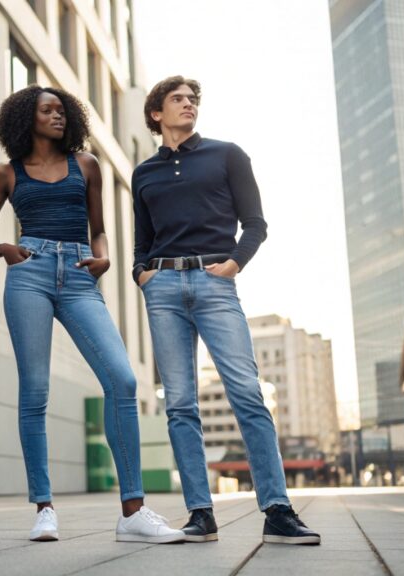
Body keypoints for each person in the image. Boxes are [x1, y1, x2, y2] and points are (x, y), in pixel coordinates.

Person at [0, 85, 185, 544]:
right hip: (28, 273)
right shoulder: (5, 174)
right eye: (47, 110)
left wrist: (103, 258)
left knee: (122, 379)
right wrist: (4, 249)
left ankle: (133, 511)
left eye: (62, 111)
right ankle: (44, 507)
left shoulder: (86, 165)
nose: (58, 117)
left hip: (79, 273)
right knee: (35, 389)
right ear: (26, 118)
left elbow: (100, 231)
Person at [132, 75, 320, 545]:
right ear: (156, 113)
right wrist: (141, 271)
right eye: (177, 99)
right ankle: (201, 514)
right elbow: (142, 236)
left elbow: (255, 223)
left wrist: (233, 264)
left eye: (192, 99)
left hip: (215, 284)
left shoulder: (227, 154)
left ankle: (277, 509)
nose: (188, 105)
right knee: (179, 404)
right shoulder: (145, 173)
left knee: (246, 393)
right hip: (163, 288)